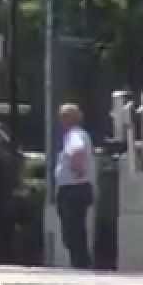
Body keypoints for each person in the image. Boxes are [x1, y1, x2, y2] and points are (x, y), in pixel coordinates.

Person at [54, 102, 96, 270]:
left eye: (63, 116)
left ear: (70, 119)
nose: (60, 120)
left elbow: (77, 151)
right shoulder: (78, 134)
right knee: (75, 229)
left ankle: (80, 264)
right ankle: (81, 263)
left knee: (72, 230)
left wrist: (77, 170)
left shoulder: (74, 135)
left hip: (73, 189)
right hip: (77, 188)